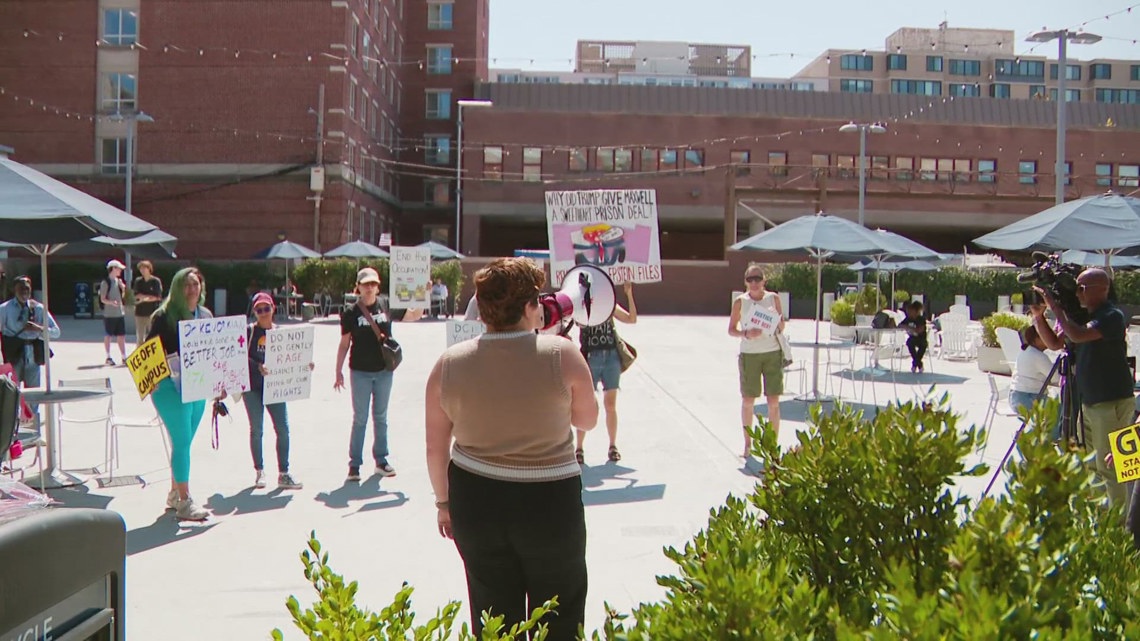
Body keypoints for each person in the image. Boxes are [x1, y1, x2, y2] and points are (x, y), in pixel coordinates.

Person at [425, 257, 598, 640]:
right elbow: (587, 420)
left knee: (493, 617)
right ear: (529, 306)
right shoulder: (562, 354)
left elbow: (435, 449)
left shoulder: (448, 364)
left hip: (477, 499)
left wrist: (444, 503)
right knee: (560, 615)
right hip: (550, 503)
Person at [1033, 268, 1135, 507]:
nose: (1077, 293)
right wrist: (1039, 316)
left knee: (1111, 467)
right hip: (1090, 402)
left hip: (1110, 402)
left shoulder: (1111, 316)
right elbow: (1055, 343)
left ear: (1102, 289)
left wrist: (1055, 306)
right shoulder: (1082, 318)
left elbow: (1078, 336)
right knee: (1092, 464)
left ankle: (1119, 524)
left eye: (1081, 288)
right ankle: (1100, 517)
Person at [146, 267, 214, 521]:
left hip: (198, 387)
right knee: (183, 441)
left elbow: (216, 350)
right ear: (176, 287)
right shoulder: (163, 317)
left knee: (182, 443)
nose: (192, 289)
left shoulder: (205, 315)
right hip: (168, 388)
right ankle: (185, 501)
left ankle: (174, 493)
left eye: (196, 283)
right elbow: (147, 351)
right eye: (186, 284)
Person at [335, 267, 402, 482]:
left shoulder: (386, 304)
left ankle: (381, 460)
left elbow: (412, 315)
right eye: (366, 284)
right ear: (358, 287)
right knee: (360, 419)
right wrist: (338, 371)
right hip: (360, 371)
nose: (370, 288)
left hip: (384, 370)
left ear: (378, 287)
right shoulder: (350, 313)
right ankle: (354, 464)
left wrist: (422, 296)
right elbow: (344, 343)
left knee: (381, 417)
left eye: (373, 284)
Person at [244, 292, 309, 490]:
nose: (263, 312)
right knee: (257, 429)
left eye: (266, 308)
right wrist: (257, 366)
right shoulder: (249, 332)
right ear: (254, 312)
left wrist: (305, 365)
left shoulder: (281, 333)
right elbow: (238, 357)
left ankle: (284, 473)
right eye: (259, 310)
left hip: (276, 387)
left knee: (283, 429)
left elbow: (294, 356)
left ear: (273, 309)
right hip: (252, 387)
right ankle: (259, 471)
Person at [727, 264, 786, 458]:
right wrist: (746, 333)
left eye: (757, 279)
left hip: (772, 353)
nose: (754, 283)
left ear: (764, 281)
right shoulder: (740, 302)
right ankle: (747, 444)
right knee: (748, 400)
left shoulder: (773, 298)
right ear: (745, 282)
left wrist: (775, 321)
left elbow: (782, 326)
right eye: (750, 279)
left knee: (773, 401)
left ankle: (772, 445)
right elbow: (731, 329)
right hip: (750, 355)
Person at [575, 281, 637, 464]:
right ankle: (579, 448)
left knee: (610, 404)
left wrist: (629, 294)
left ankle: (612, 446)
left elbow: (631, 319)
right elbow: (578, 322)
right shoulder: (583, 307)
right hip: (591, 356)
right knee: (585, 403)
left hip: (610, 356)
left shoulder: (610, 305)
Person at [0, 276, 60, 389]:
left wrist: (39, 328)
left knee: (33, 392)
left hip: (33, 355)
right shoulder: (4, 309)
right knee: (12, 391)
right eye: (21, 288)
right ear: (14, 290)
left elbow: (56, 332)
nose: (24, 291)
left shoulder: (39, 308)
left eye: (27, 288)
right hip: (13, 354)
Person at [1008, 325, 1056, 415]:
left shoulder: (1025, 351)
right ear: (1036, 339)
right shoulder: (1039, 356)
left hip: (1015, 397)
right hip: (1029, 398)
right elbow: (1056, 378)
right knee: (1059, 412)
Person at [99, 259, 129, 365]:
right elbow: (102, 299)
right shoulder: (105, 282)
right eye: (119, 269)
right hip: (109, 314)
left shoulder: (118, 281)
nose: (120, 271)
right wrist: (111, 302)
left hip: (119, 313)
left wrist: (123, 288)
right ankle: (108, 357)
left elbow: (123, 296)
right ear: (113, 268)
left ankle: (124, 357)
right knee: (108, 335)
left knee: (121, 335)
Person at [132, 260, 163, 346]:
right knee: (140, 338)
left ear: (149, 269)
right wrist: (148, 297)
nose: (142, 271)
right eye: (141, 269)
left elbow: (157, 297)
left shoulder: (156, 281)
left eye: (144, 268)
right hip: (139, 313)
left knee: (153, 337)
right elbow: (136, 295)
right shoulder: (138, 281)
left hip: (152, 313)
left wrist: (144, 298)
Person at [898, 300, 928, 373]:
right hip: (912, 338)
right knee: (909, 343)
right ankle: (919, 364)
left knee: (923, 345)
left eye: (910, 311)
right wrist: (907, 327)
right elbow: (900, 325)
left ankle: (915, 364)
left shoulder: (921, 319)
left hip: (921, 338)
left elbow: (919, 330)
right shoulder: (908, 319)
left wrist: (910, 328)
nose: (908, 312)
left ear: (915, 311)